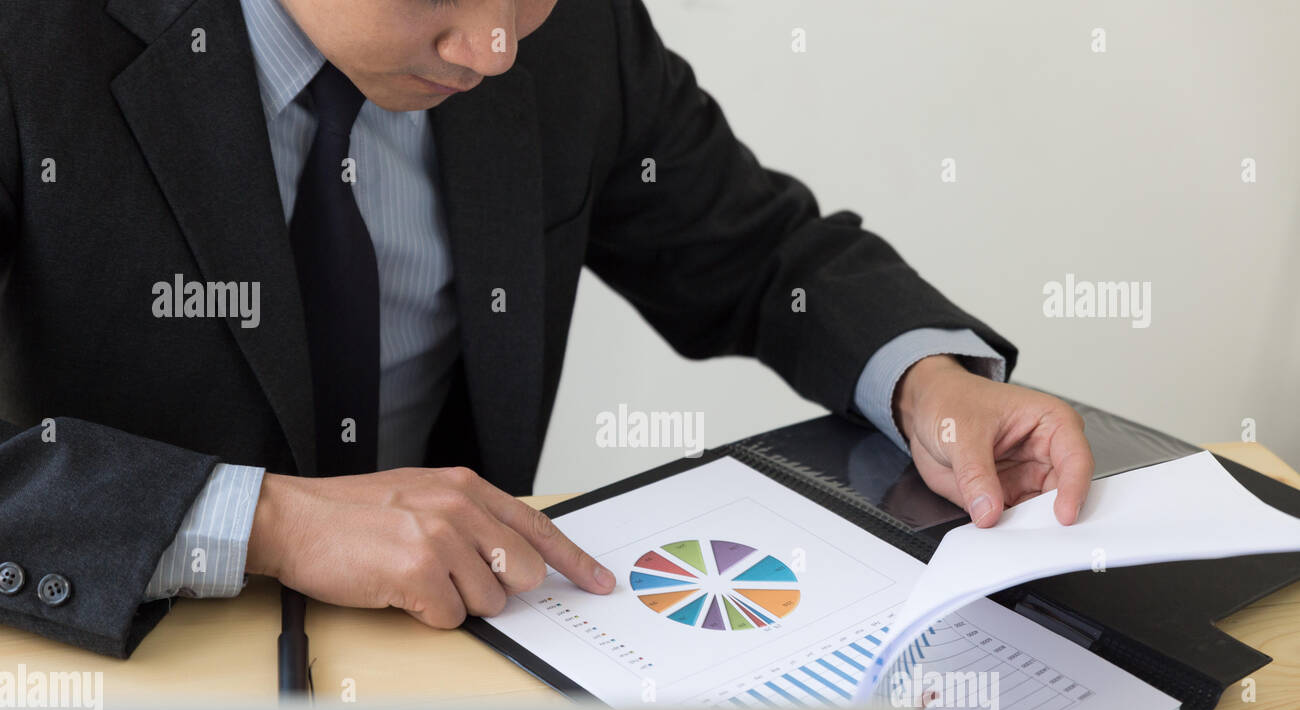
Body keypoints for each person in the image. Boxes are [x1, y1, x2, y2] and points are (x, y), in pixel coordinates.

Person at [0, 0, 1093, 657]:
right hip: (121, 658)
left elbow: (760, 253)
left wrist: (925, 379)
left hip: (452, 652)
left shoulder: (569, 41)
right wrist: (270, 523)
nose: (491, 47)